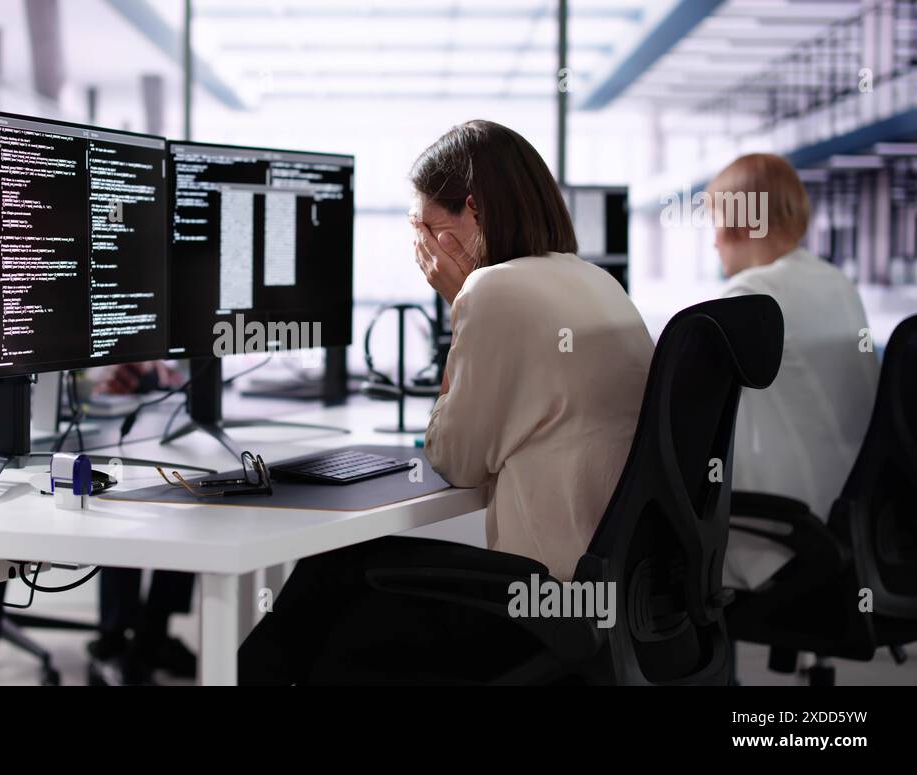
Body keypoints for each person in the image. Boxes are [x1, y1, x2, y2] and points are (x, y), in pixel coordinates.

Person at [237, 119, 655, 684]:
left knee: (330, 603)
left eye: (426, 225)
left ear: (475, 213)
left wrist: (459, 297)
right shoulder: (599, 283)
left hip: (537, 601)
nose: (421, 246)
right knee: (335, 569)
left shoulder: (495, 290)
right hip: (615, 592)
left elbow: (455, 461)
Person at [708, 154, 879, 591]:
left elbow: (684, 411)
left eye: (714, 223)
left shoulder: (751, 296)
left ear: (736, 222)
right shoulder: (835, 281)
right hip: (863, 520)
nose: (713, 243)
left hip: (791, 531)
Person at [86, 360, 198, 685]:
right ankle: (114, 640)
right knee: (123, 507)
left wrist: (166, 367)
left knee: (189, 505)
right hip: (99, 408)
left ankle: (153, 634)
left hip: (153, 404)